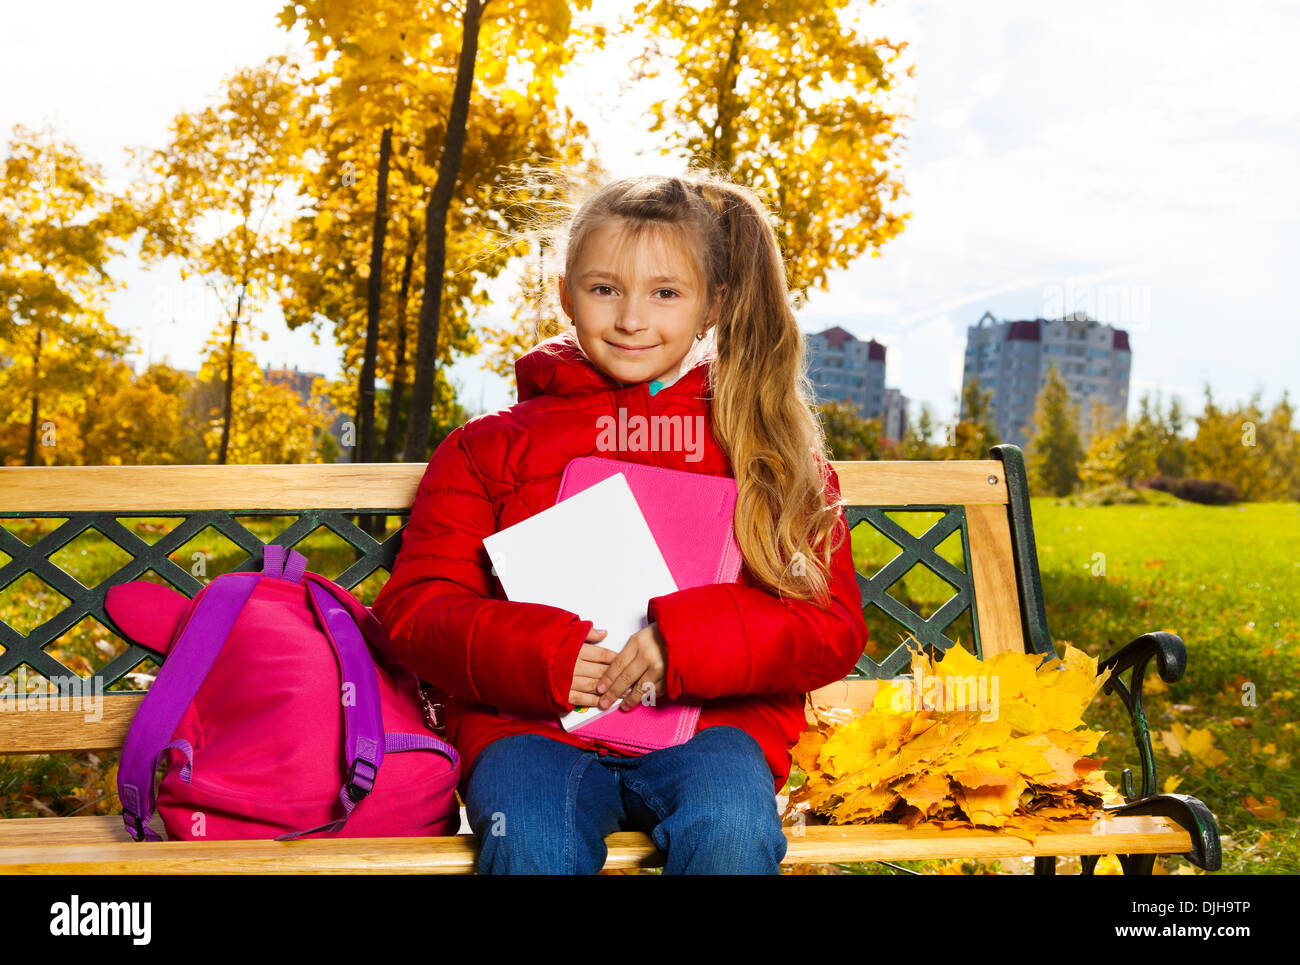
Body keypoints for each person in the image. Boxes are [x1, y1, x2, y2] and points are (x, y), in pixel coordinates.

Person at [371, 170, 870, 874]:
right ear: (565, 293)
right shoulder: (487, 448)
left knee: (732, 827)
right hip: (530, 731)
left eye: (665, 293)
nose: (632, 318)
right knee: (530, 841)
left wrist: (685, 642)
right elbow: (415, 611)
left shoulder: (767, 448)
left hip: (714, 730)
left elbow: (831, 626)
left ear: (712, 305)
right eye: (605, 288)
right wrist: (546, 655)